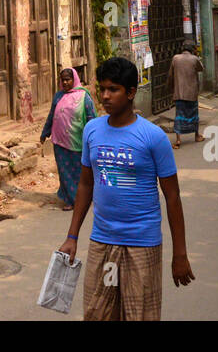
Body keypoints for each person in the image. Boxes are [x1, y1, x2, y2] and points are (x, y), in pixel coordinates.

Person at [57, 56, 194, 321]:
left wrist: (180, 254)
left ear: (131, 93)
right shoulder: (92, 131)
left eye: (114, 89)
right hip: (103, 244)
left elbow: (173, 197)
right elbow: (86, 184)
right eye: (103, 88)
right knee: (100, 313)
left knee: (139, 315)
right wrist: (72, 237)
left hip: (141, 248)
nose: (105, 96)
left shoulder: (153, 137)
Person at [40, 68, 96, 209]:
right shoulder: (58, 96)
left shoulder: (84, 97)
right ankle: (71, 200)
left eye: (68, 79)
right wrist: (45, 133)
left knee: (79, 171)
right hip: (59, 141)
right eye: (63, 80)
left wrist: (94, 138)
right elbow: (52, 115)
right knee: (64, 172)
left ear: (74, 79)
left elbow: (91, 119)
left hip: (78, 141)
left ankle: (83, 197)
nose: (65, 82)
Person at [169, 42, 205, 145]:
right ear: (192, 50)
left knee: (179, 116)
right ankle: (197, 135)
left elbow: (170, 75)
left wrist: (171, 88)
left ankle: (178, 139)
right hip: (191, 93)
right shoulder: (194, 59)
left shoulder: (175, 58)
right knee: (194, 114)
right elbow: (201, 68)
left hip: (179, 92)